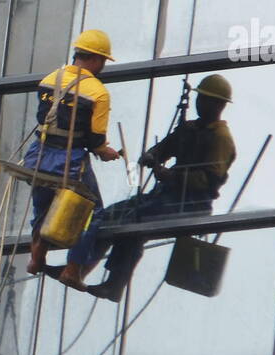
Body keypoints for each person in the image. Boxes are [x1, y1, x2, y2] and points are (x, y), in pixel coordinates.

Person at [53, 74, 237, 301]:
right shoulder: (190, 129)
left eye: (205, 100)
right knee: (111, 214)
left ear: (219, 105)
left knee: (134, 223)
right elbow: (164, 147)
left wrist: (171, 176)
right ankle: (78, 269)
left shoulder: (220, 139)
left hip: (190, 206)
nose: (200, 103)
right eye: (200, 99)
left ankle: (115, 284)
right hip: (165, 197)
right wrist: (152, 156)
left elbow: (209, 180)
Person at [23, 29, 122, 284]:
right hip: (69, 161)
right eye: (103, 61)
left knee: (43, 209)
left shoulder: (49, 79)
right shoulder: (98, 92)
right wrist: (107, 153)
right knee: (94, 212)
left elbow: (45, 117)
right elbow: (95, 140)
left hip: (39, 156)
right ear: (97, 59)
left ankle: (36, 258)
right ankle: (72, 269)